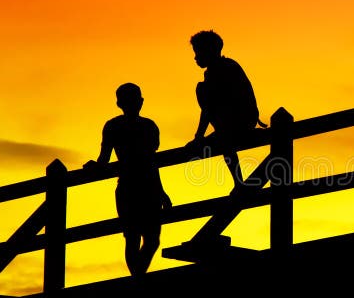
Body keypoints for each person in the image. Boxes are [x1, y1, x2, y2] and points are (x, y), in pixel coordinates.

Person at [84, 82, 172, 276]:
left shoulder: (119, 126)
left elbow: (106, 160)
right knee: (142, 239)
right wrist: (161, 192)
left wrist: (161, 192)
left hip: (135, 188)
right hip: (139, 188)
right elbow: (149, 162)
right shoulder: (144, 127)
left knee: (143, 239)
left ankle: (137, 277)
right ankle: (138, 277)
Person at [184, 30, 266, 191]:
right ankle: (238, 181)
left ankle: (238, 181)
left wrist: (198, 137)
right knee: (202, 89)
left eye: (198, 52)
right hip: (236, 121)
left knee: (201, 89)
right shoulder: (225, 67)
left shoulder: (223, 69)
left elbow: (209, 108)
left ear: (210, 51)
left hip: (239, 121)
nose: (195, 57)